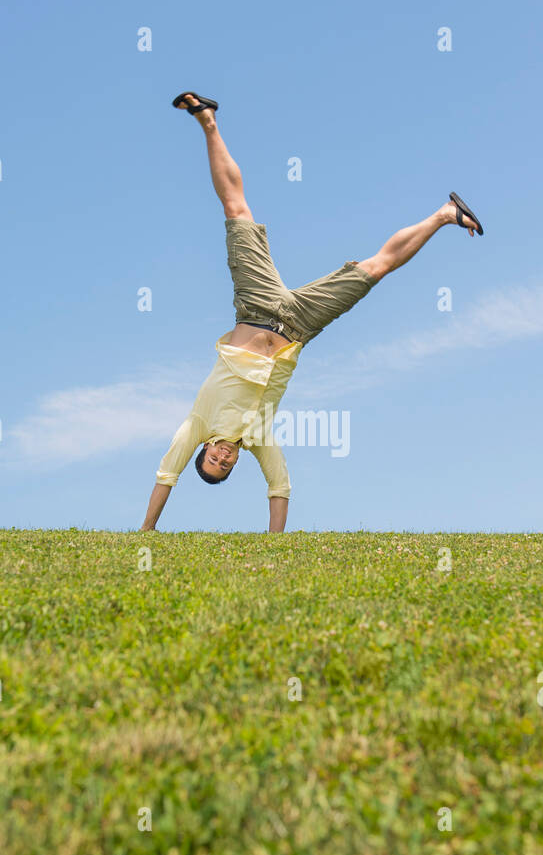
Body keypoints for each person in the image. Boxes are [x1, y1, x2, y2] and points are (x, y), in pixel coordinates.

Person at [140, 92, 483, 533]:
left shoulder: (197, 425)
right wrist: (276, 546)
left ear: (203, 449)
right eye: (226, 465)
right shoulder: (258, 441)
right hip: (299, 324)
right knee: (373, 270)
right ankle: (445, 215)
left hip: (256, 307)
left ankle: (207, 121)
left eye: (213, 459)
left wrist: (146, 533)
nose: (223, 457)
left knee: (236, 211)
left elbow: (165, 475)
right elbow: (280, 487)